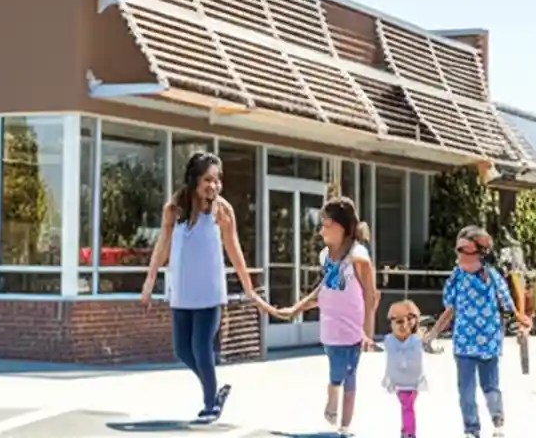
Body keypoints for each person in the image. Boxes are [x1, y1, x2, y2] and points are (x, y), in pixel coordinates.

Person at [139, 151, 276, 423]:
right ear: (194, 180)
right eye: (207, 180)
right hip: (181, 292)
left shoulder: (222, 211)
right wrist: (149, 282)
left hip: (210, 293)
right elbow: (162, 246)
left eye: (217, 180)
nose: (213, 186)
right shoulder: (174, 209)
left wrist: (249, 289)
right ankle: (216, 393)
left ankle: (210, 403)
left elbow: (234, 250)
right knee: (182, 350)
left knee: (201, 347)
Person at [276, 196, 378, 436]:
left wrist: (367, 333)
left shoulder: (359, 255)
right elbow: (324, 289)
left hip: (352, 329)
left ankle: (345, 426)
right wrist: (296, 308)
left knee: (350, 375)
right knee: (336, 371)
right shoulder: (326, 256)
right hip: (330, 327)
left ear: (341, 227)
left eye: (326, 224)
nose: (321, 230)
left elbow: (371, 296)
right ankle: (333, 393)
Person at [423, 226, 533, 438]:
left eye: (464, 249)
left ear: (479, 253)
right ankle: (471, 429)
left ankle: (497, 420)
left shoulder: (490, 277)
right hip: (466, 343)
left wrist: (521, 322)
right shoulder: (459, 277)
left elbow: (508, 306)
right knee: (466, 390)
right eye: (458, 249)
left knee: (490, 386)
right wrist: (433, 333)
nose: (459, 254)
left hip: (487, 343)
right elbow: (450, 310)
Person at [382, 299, 428, 438]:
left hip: (412, 383)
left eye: (408, 321)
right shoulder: (389, 340)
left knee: (407, 406)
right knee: (406, 407)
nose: (403, 325)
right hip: (398, 382)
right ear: (391, 323)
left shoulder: (417, 340)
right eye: (399, 322)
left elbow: (426, 343)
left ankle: (409, 433)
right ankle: (406, 431)